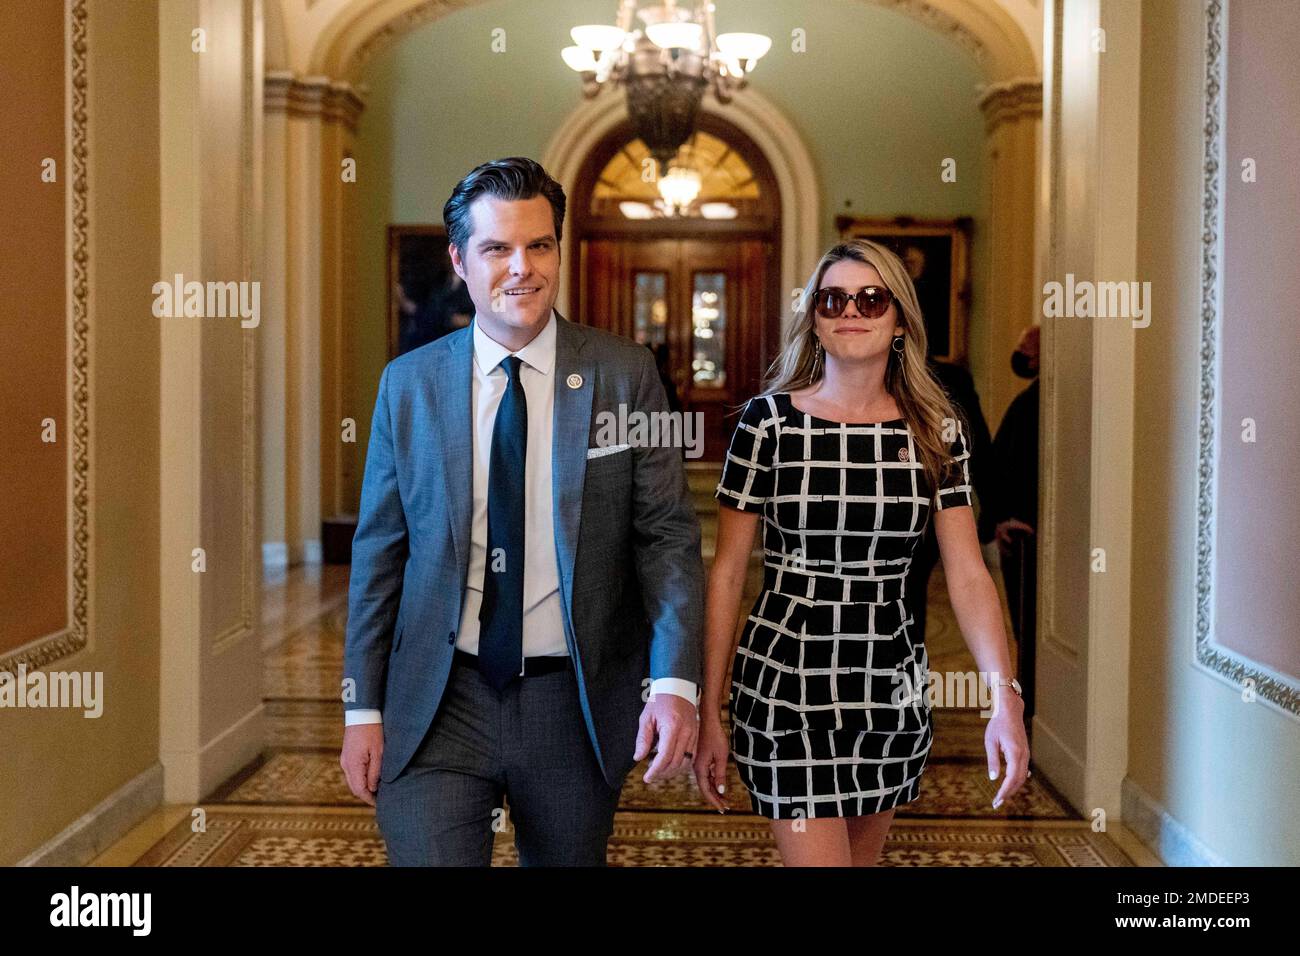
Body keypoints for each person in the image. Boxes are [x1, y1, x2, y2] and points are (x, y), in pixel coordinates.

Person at [340, 157, 703, 866]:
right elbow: (379, 554)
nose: (522, 268)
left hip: (571, 703)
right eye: (497, 248)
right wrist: (362, 707)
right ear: (459, 260)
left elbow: (667, 540)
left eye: (540, 245)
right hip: (437, 701)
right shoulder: (409, 385)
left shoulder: (625, 376)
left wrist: (673, 683)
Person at [694, 239, 1030, 866]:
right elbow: (729, 575)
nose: (851, 310)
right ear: (814, 319)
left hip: (890, 683)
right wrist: (708, 707)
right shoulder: (768, 424)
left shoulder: (935, 429)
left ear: (900, 320)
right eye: (832, 300)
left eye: (871, 299)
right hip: (785, 680)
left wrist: (1003, 698)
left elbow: (967, 574)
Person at [902, 357, 996, 644]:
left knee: (909, 594)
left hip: (925, 517)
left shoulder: (949, 381)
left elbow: (974, 444)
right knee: (910, 595)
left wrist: (992, 512)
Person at [987, 324, 1040, 723]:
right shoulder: (1027, 404)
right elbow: (1000, 466)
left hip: (1028, 535)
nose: (1020, 349)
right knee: (1025, 631)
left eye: (1028, 344)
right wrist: (1000, 519)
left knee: (1032, 634)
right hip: (1017, 535)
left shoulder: (1036, 405)